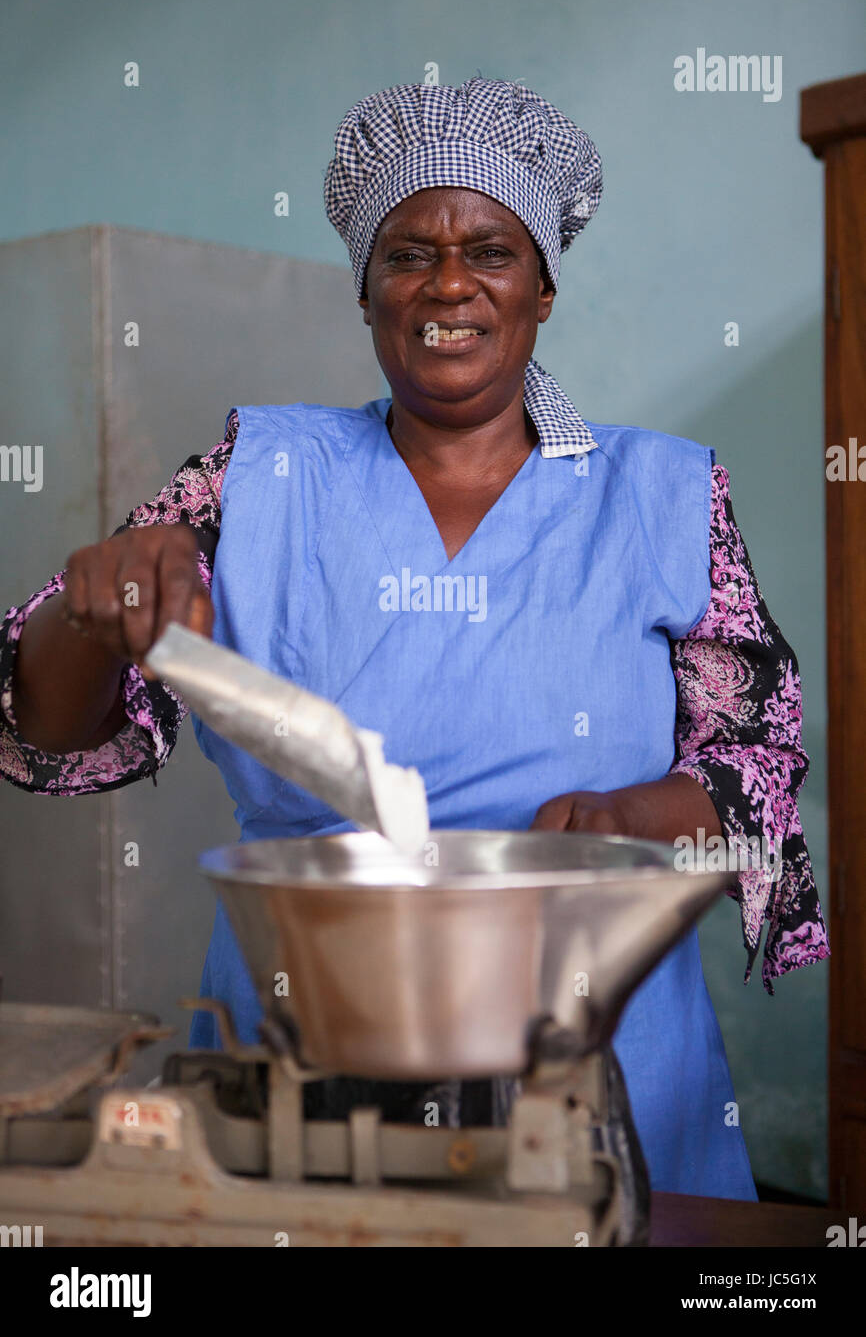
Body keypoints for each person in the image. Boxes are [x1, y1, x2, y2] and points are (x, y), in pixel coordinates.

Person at [1, 78, 827, 1200]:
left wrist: (627, 822)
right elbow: (51, 724)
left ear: (541, 288)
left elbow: (757, 773)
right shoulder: (259, 477)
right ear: (365, 291)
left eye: (488, 248)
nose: (447, 283)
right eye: (406, 254)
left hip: (597, 1061)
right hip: (301, 1054)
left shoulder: (661, 493)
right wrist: (86, 609)